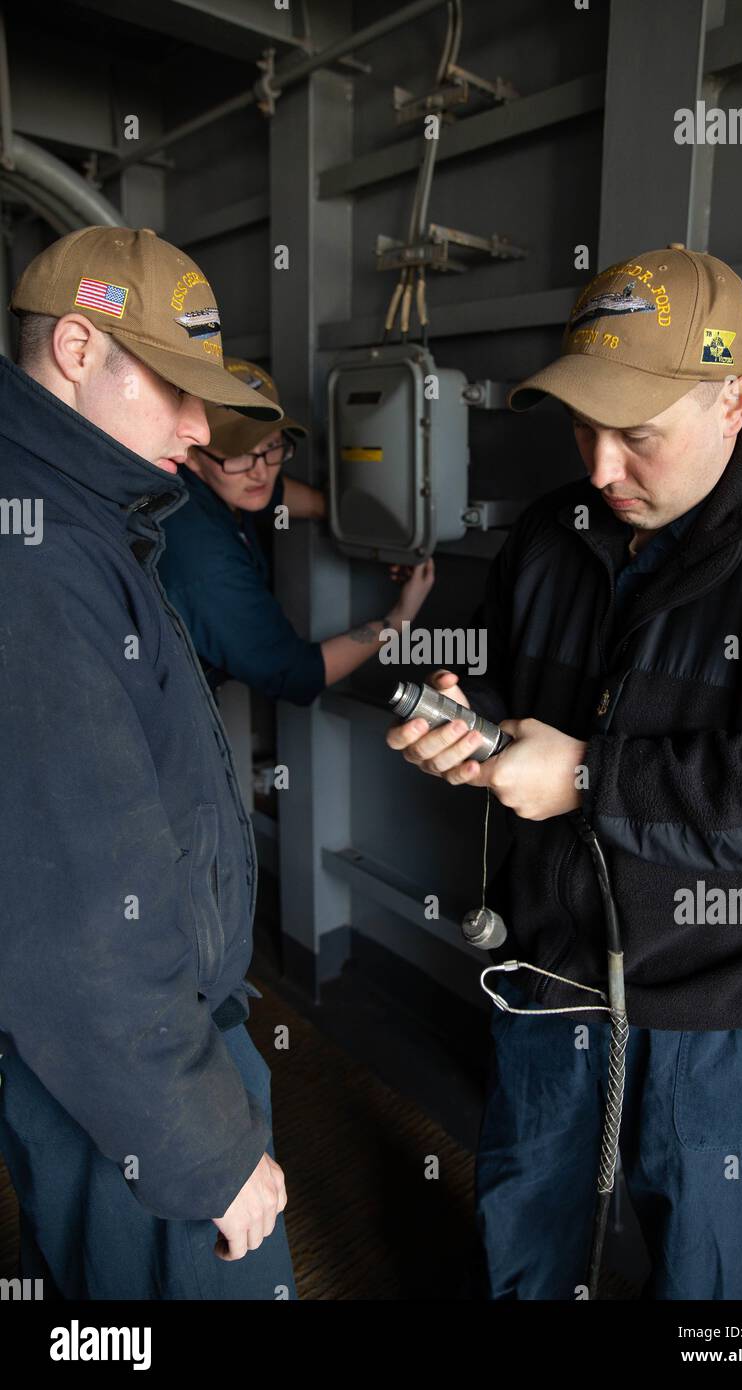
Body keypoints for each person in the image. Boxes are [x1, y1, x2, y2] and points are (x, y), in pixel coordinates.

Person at [386, 243, 742, 1300]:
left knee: (705, 1273)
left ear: (734, 400)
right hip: (554, 979)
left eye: (636, 436)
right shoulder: (554, 532)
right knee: (527, 1229)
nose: (599, 470)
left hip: (731, 1013)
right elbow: (494, 678)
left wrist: (595, 780)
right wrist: (462, 727)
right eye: (581, 428)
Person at [0, 225, 297, 1299]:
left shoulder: (80, 513)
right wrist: (204, 1152)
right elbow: (79, 920)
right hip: (133, 1083)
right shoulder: (33, 561)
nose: (197, 424)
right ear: (77, 349)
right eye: (172, 385)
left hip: (118, 1056)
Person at [157, 356, 434, 703]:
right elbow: (296, 674)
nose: (260, 472)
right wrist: (399, 620)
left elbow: (275, 492)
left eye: (272, 446)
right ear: (192, 454)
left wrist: (365, 526)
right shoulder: (203, 559)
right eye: (239, 455)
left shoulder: (218, 482)